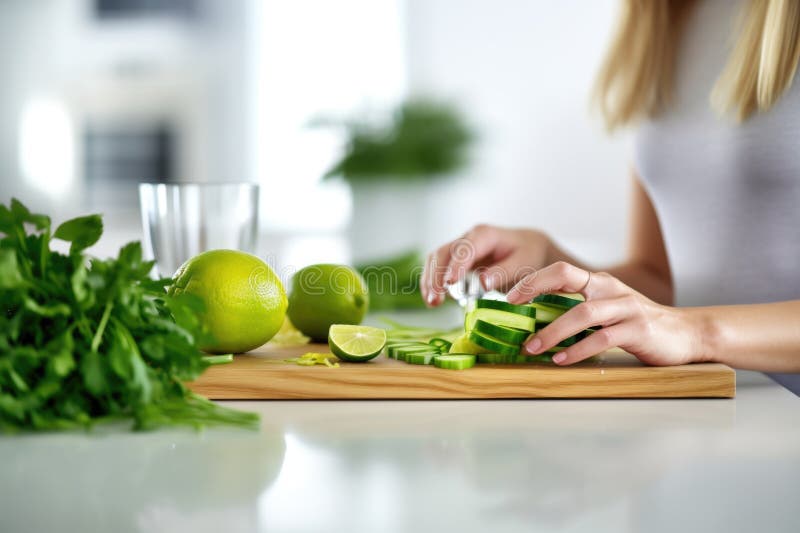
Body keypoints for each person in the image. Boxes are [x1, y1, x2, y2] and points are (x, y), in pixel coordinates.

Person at [420, 0, 800, 381]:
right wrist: (557, 265)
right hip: (714, 408)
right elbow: (661, 284)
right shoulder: (667, 17)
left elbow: (680, 324)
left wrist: (698, 332)